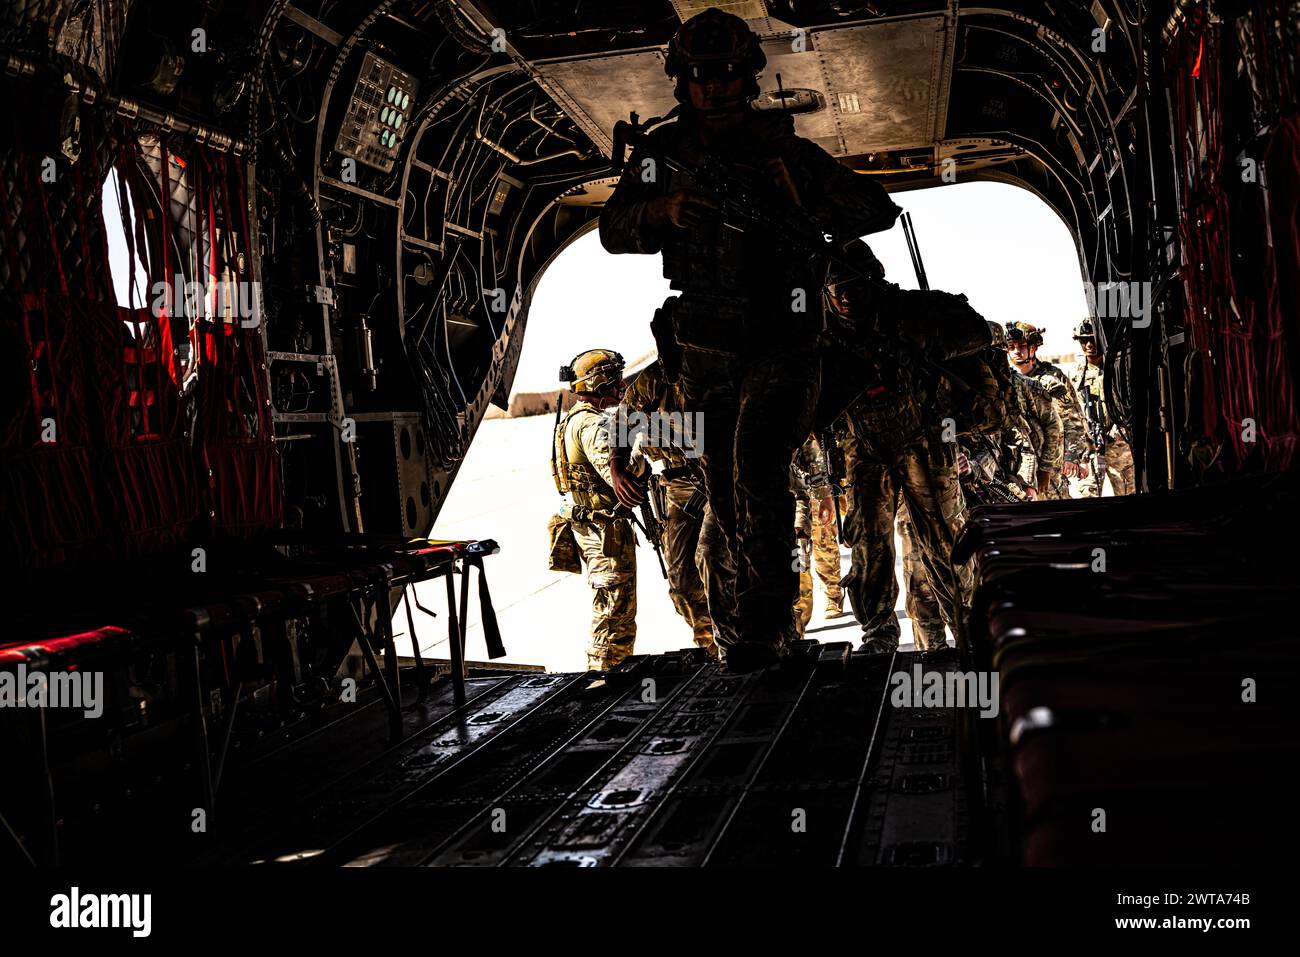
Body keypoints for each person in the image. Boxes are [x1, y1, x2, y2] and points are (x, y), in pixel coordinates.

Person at [599, 8, 900, 672]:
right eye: (702, 76)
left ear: (749, 78)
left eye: (728, 74)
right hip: (705, 350)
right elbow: (613, 228)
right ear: (683, 81)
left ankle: (763, 630)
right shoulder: (664, 157)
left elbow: (877, 208)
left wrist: (801, 207)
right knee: (727, 490)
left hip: (781, 339)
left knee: (758, 467)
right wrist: (662, 210)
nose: (715, 88)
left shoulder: (782, 151)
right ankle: (751, 630)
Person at [829, 245, 969, 654]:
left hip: (920, 442)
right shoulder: (823, 333)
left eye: (853, 286)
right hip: (864, 449)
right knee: (868, 546)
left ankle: (967, 629)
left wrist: (923, 340)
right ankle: (879, 633)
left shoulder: (905, 312)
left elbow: (978, 330)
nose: (845, 297)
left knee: (944, 541)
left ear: (872, 283)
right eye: (836, 289)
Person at [612, 358, 716, 657]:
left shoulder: (717, 364)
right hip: (678, 485)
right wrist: (617, 467)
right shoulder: (654, 378)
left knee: (713, 560)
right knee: (682, 583)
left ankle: (741, 642)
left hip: (722, 478)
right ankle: (711, 647)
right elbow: (623, 422)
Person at [551, 349, 640, 671]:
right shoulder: (593, 424)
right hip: (604, 534)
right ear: (598, 382)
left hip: (590, 527)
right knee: (614, 616)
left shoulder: (572, 418)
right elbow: (617, 475)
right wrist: (639, 451)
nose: (621, 386)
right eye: (614, 379)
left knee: (612, 611)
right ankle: (604, 678)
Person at [1006, 322, 1092, 498]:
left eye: (1021, 346)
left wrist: (1072, 456)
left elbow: (1070, 420)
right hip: (1018, 465)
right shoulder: (1006, 380)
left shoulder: (1051, 379)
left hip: (1050, 462)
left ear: (1032, 348)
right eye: (1011, 347)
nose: (1016, 351)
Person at [1073, 320, 1137, 496]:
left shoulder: (1117, 368)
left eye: (1093, 339)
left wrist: (1118, 428)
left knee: (1127, 493)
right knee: (1088, 495)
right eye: (1084, 340)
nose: (1089, 344)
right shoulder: (1075, 375)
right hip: (1090, 446)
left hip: (1118, 444)